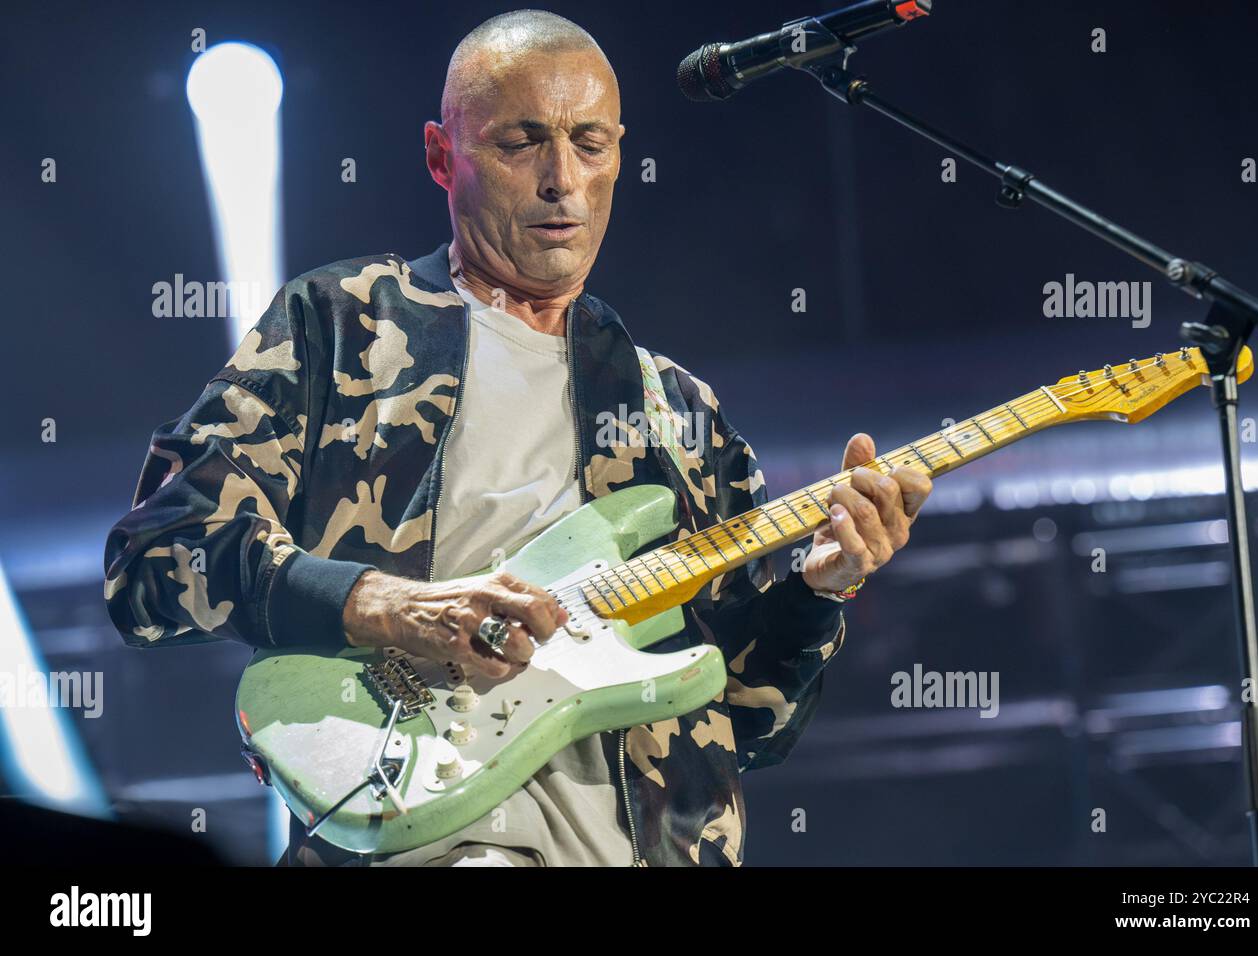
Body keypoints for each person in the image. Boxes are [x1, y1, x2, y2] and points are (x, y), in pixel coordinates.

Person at [103, 9, 932, 867]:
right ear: (440, 155)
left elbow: (750, 721)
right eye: (520, 143)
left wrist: (820, 588)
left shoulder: (678, 412)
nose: (561, 180)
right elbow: (155, 562)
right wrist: (387, 605)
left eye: (590, 142)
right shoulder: (343, 326)